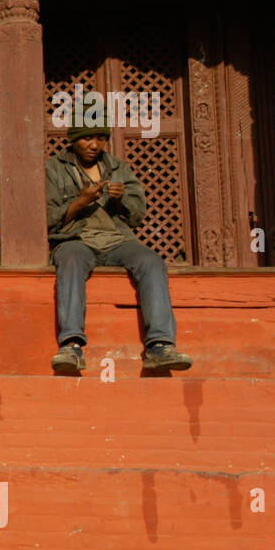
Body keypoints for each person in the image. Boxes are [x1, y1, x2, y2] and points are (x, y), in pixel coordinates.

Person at [46, 118, 192, 372]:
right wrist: (80, 202)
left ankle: (160, 345)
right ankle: (71, 345)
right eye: (87, 138)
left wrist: (122, 197)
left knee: (151, 261)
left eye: (101, 138)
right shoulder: (53, 168)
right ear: (73, 139)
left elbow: (137, 216)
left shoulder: (117, 168)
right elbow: (46, 219)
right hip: (75, 240)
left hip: (117, 241)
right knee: (69, 260)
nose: (94, 145)